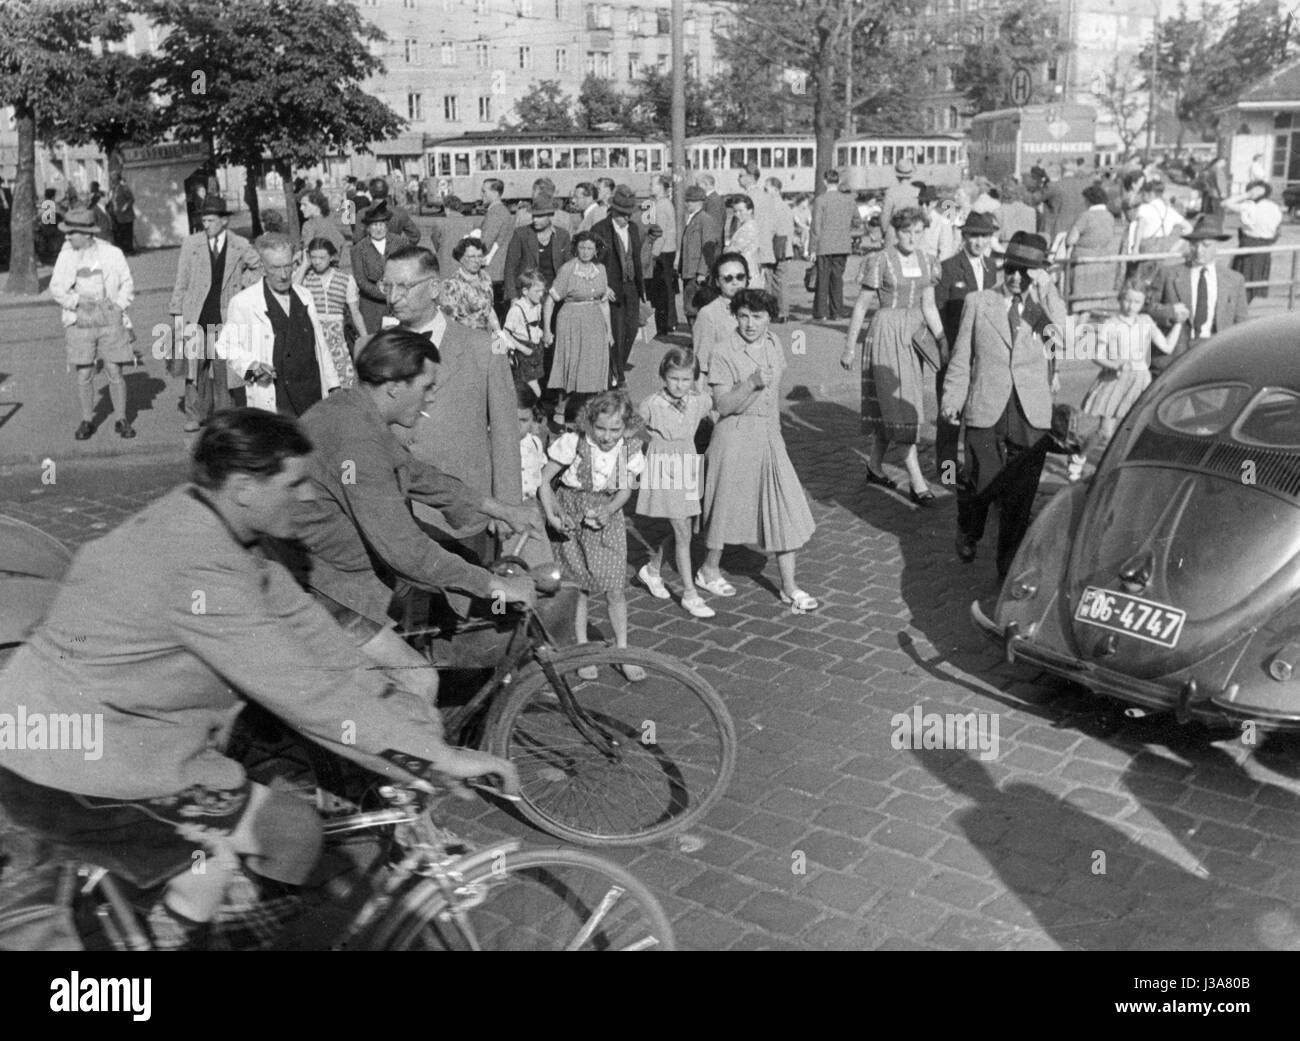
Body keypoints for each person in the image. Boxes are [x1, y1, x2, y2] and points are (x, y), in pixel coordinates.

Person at [0, 409, 519, 951]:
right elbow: (306, 696)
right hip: (71, 762)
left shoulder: (219, 524)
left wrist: (402, 717)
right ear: (246, 487)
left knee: (292, 832)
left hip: (123, 741)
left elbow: (309, 633)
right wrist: (438, 760)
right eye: (293, 485)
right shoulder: (198, 567)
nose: (309, 498)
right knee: (207, 868)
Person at [295, 328, 540, 680]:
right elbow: (407, 552)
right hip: (330, 590)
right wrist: (493, 585)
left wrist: (501, 509)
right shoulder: (356, 440)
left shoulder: (354, 409)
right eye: (426, 387)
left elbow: (416, 474)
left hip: (343, 575)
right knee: (419, 681)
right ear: (395, 386)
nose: (432, 398)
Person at [942, 232, 1067, 580]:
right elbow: (961, 357)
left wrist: (1046, 288)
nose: (1016, 278)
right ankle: (969, 528)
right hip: (987, 405)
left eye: (1025, 272)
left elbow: (1064, 342)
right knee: (979, 480)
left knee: (1019, 498)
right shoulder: (978, 302)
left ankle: (1006, 568)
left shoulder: (1041, 309)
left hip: (1030, 412)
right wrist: (952, 399)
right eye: (1011, 269)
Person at [384, 245, 524, 528]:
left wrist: (506, 509)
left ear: (435, 288)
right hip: (394, 517)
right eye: (387, 286)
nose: (393, 297)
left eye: (404, 287)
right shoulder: (372, 348)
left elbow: (505, 436)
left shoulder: (484, 348)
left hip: (463, 515)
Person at [697, 289, 817, 613]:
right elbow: (722, 404)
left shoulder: (776, 344)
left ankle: (789, 587)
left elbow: (776, 390)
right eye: (744, 316)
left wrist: (776, 434)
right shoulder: (722, 351)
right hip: (733, 436)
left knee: (784, 506)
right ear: (735, 316)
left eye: (758, 316)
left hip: (768, 435)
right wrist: (750, 382)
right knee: (724, 507)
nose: (750, 323)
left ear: (769, 318)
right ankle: (708, 569)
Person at [538, 391, 647, 681]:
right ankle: (583, 648)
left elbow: (624, 489)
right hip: (571, 514)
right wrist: (552, 514)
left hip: (606, 518)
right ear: (589, 423)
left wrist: (609, 509)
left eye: (615, 430)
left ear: (626, 427)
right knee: (579, 587)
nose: (608, 437)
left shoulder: (628, 450)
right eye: (601, 428)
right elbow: (544, 480)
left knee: (614, 587)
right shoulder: (574, 443)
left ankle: (622, 650)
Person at [841, 205, 945, 504]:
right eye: (905, 232)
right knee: (898, 409)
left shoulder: (928, 262)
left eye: (917, 232)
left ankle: (874, 466)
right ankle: (917, 482)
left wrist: (942, 340)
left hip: (914, 337)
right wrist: (849, 346)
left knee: (900, 403)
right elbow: (861, 306)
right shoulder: (881, 260)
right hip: (886, 333)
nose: (912, 238)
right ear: (895, 232)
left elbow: (929, 306)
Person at [218, 232, 339, 416]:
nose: (283, 275)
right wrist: (252, 366)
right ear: (263, 267)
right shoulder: (244, 303)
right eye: (276, 268)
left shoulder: (305, 296)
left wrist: (333, 386)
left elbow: (321, 347)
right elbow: (225, 345)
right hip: (277, 397)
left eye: (288, 266)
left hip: (311, 394)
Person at [169, 195, 262, 432]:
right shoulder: (191, 244)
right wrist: (177, 315)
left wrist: (243, 283)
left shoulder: (239, 244)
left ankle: (225, 417)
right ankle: (194, 415)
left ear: (224, 221)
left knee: (224, 369)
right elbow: (181, 280)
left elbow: (259, 267)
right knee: (195, 369)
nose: (206, 224)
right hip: (196, 315)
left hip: (226, 316)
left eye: (211, 220)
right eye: (204, 220)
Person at [635, 346, 715, 619]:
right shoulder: (651, 404)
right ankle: (690, 595)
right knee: (682, 531)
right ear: (663, 376)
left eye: (685, 378)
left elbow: (716, 408)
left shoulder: (699, 400)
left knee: (686, 529)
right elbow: (629, 430)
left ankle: (652, 569)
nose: (680, 385)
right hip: (664, 467)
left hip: (687, 464)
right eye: (674, 378)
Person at [49, 208, 136, 440]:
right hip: (80, 318)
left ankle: (121, 418)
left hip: (109, 316)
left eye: (71, 233)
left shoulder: (112, 253)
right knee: (84, 371)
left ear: (87, 233)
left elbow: (127, 283)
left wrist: (118, 306)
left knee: (114, 368)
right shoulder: (66, 256)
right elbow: (56, 288)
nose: (67, 237)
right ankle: (87, 420)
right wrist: (77, 301)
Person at [933, 210, 999, 487]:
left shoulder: (993, 268)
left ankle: (975, 470)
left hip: (983, 355)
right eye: (973, 235)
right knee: (950, 419)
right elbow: (935, 308)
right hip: (955, 354)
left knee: (980, 417)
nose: (978, 242)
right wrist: (943, 344)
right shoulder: (948, 268)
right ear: (964, 236)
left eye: (984, 236)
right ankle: (947, 474)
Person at [1144, 214, 1250, 379]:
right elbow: (1146, 309)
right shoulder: (1168, 274)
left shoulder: (1234, 280)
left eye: (1206, 245)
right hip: (1175, 355)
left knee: (1211, 403)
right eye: (1194, 245)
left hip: (1216, 353)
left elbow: (1241, 324)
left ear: (1217, 246)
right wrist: (1170, 312)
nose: (1199, 250)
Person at [1082, 280, 1176, 444]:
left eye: (1137, 302)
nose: (1131, 306)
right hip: (1116, 379)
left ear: (1143, 303)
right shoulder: (1111, 324)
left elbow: (1167, 347)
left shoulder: (1146, 321)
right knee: (1105, 432)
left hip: (1140, 380)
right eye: (1127, 300)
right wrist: (1115, 365)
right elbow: (1096, 355)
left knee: (1134, 431)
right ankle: (1078, 460)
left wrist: (1179, 324)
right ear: (1120, 299)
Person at [544, 231, 614, 414]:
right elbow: (550, 301)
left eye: (590, 248)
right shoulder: (568, 269)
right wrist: (546, 330)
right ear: (576, 248)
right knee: (570, 365)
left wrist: (610, 331)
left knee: (593, 366)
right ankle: (560, 411)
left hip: (595, 322)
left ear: (596, 250)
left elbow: (604, 302)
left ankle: (589, 412)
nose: (585, 252)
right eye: (582, 247)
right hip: (571, 322)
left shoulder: (601, 270)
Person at [590, 185, 646, 389]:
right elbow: (593, 262)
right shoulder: (600, 230)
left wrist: (641, 289)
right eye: (622, 214)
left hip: (631, 287)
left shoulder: (632, 228)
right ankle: (616, 376)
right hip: (611, 289)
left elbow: (636, 258)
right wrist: (603, 286)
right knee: (616, 333)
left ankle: (617, 369)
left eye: (629, 214)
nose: (626, 218)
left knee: (631, 330)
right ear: (613, 210)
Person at [296, 236, 365, 388]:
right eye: (313, 257)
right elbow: (292, 293)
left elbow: (355, 313)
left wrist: (366, 338)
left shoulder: (345, 279)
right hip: (312, 334)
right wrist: (304, 265)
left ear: (332, 257)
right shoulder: (306, 278)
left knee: (343, 379)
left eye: (322, 257)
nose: (317, 261)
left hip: (337, 338)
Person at [440, 236, 515, 355]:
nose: (476, 260)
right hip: (466, 346)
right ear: (461, 258)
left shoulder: (485, 277)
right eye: (471, 256)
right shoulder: (451, 285)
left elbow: (489, 309)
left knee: (499, 364)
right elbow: (450, 324)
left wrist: (500, 337)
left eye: (479, 256)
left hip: (488, 339)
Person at [692, 251, 750, 383]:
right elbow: (701, 363)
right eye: (728, 278)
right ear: (718, 282)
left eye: (740, 277)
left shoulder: (755, 309)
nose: (735, 282)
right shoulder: (708, 314)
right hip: (722, 388)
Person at [503, 190, 570, 303]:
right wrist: (513, 297)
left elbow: (569, 266)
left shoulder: (562, 235)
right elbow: (510, 267)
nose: (535, 220)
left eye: (539, 216)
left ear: (550, 215)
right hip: (527, 294)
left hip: (554, 296)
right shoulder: (521, 234)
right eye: (534, 215)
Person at [808, 169, 857, 321]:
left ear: (824, 181)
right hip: (842, 244)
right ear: (838, 181)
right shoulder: (849, 200)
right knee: (837, 279)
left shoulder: (820, 200)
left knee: (822, 279)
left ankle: (821, 312)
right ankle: (836, 311)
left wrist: (812, 249)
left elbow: (816, 226)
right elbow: (857, 220)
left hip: (824, 244)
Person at [1064, 183, 1120, 313]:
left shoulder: (1086, 216)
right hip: (1100, 261)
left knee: (1077, 299)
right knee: (1090, 304)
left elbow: (1070, 239)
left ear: (1089, 200)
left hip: (1082, 262)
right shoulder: (1109, 217)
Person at [1225, 180, 1283, 301]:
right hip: (1265, 248)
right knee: (1256, 280)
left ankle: (1240, 307)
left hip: (1249, 247)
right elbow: (1278, 230)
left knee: (1242, 280)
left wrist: (1245, 196)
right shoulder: (1275, 207)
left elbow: (1227, 203)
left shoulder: (1249, 206)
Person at [515, 383, 554, 568]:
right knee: (508, 569)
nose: (516, 427)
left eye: (523, 420)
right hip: (508, 514)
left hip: (533, 514)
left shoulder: (535, 444)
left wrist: (555, 512)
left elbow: (542, 482)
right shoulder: (491, 444)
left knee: (540, 566)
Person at [1126, 179, 1190, 281]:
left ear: (1150, 193)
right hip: (1162, 250)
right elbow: (1189, 228)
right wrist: (1175, 247)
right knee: (1155, 280)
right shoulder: (1169, 211)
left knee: (1137, 281)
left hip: (1145, 248)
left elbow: (1140, 227)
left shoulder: (1145, 208)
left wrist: (1135, 249)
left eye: (1144, 194)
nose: (1143, 197)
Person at [676, 184, 720, 324]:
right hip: (689, 270)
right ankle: (696, 340)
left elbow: (708, 248)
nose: (687, 204)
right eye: (687, 200)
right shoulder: (694, 219)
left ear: (699, 202)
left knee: (694, 307)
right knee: (690, 306)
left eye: (690, 201)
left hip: (696, 272)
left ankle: (698, 341)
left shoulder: (704, 220)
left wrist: (702, 272)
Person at [352, 201, 395, 337]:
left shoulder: (399, 243)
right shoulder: (358, 249)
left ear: (387, 226)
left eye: (381, 224)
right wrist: (383, 294)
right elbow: (361, 281)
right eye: (374, 225)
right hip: (372, 307)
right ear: (368, 228)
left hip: (397, 302)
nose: (378, 228)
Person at [503, 268, 547, 397]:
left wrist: (540, 333)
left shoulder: (538, 306)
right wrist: (522, 348)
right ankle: (533, 413)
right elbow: (505, 333)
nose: (541, 294)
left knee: (528, 389)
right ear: (525, 291)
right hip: (523, 354)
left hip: (536, 352)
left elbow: (535, 326)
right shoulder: (516, 310)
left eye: (542, 291)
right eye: (537, 291)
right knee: (535, 391)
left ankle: (528, 412)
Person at [644, 174, 679, 335]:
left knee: (662, 291)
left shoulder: (662, 206)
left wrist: (653, 254)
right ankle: (669, 322)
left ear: (661, 187)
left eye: (652, 184)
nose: (650, 186)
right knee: (666, 290)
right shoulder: (662, 204)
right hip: (666, 251)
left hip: (662, 253)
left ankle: (665, 324)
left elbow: (661, 234)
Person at [479, 178, 514, 321]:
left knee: (494, 320)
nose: (481, 194)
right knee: (498, 318)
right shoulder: (502, 211)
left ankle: (496, 344)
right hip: (498, 272)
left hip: (492, 272)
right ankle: (498, 344)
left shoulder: (496, 212)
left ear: (494, 192)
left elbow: (485, 243)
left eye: (484, 191)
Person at [352, 177, 420, 246]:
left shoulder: (362, 213)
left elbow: (357, 239)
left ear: (370, 192)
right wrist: (400, 247)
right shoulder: (399, 212)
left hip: (372, 254)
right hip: (394, 253)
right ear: (387, 192)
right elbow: (415, 236)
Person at [764, 177, 795, 322]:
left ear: (775, 190)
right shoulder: (786, 207)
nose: (765, 192)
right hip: (785, 249)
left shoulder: (771, 206)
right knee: (782, 282)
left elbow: (770, 229)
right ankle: (784, 313)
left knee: (771, 282)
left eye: (766, 189)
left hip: (773, 248)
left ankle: (776, 311)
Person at [297, 189, 347, 264]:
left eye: (304, 205)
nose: (301, 208)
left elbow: (306, 254)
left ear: (316, 205)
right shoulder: (332, 221)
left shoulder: (309, 225)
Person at [880, 158, 920, 248]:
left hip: (894, 232)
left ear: (897, 175)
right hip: (912, 233)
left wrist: (885, 232)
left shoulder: (890, 192)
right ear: (911, 175)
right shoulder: (917, 192)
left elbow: (885, 215)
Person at [725, 194, 762, 287]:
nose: (737, 214)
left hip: (746, 269)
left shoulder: (749, 227)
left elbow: (733, 250)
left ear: (750, 210)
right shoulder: (744, 226)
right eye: (735, 211)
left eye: (741, 211)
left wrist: (725, 249)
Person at [916, 184, 957, 264]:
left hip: (932, 266)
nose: (924, 206)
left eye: (927, 203)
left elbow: (945, 252)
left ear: (934, 203)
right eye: (921, 202)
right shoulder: (914, 220)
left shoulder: (943, 222)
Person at [106, 171, 135, 255]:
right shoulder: (112, 190)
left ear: (118, 180)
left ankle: (129, 250)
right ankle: (121, 251)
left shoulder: (124, 188)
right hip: (116, 216)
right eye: (112, 180)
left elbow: (131, 199)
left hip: (126, 216)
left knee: (127, 234)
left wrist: (125, 206)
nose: (112, 182)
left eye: (114, 180)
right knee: (118, 234)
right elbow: (111, 201)